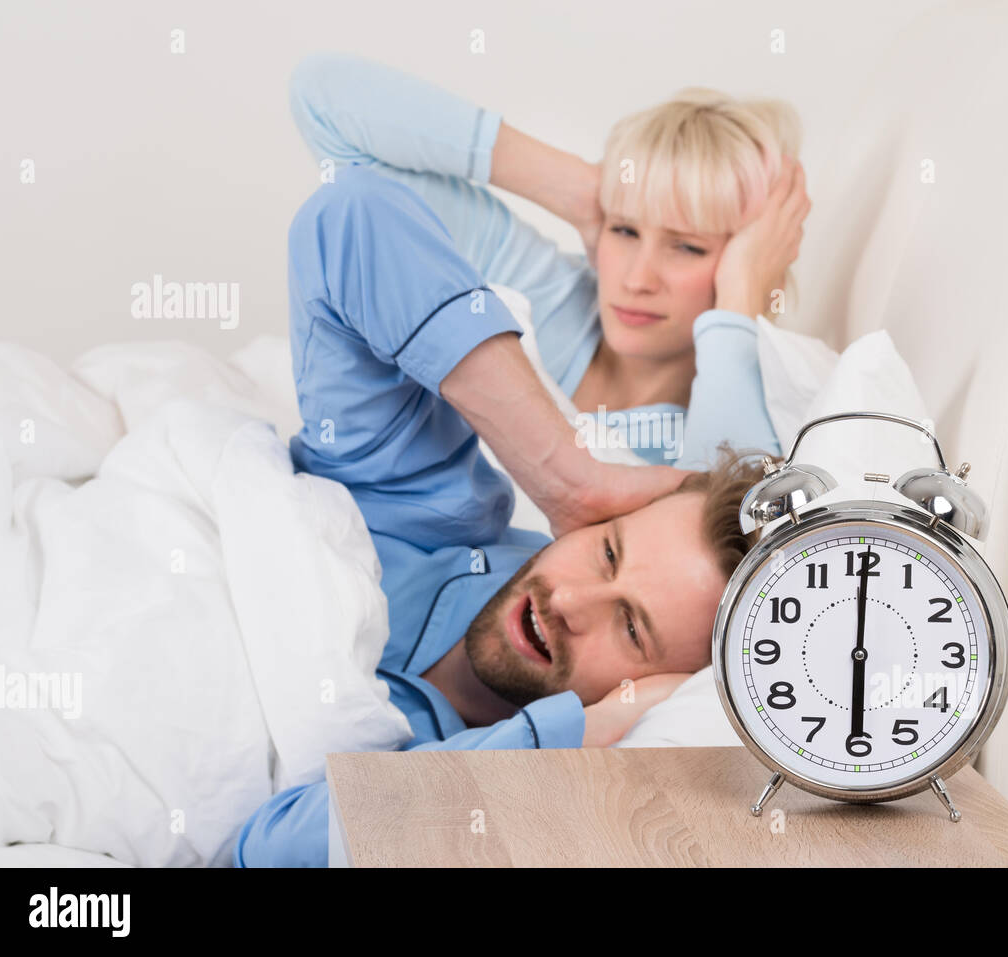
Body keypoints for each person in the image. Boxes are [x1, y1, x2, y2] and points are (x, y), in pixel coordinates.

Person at [234, 162, 770, 867]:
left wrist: (575, 733)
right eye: (608, 551)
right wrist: (562, 471)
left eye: (632, 626)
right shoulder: (426, 503)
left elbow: (264, 852)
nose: (572, 600)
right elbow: (351, 214)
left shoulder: (488, 790)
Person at [286, 51, 809, 468]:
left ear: (754, 259)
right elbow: (322, 99)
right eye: (625, 230)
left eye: (687, 246)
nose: (636, 278)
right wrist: (579, 191)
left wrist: (740, 305)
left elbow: (728, 532)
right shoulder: (554, 300)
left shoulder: (745, 408)